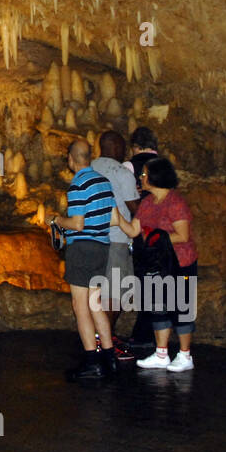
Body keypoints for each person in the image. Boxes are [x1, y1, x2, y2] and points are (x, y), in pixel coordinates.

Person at [49, 139, 134, 381]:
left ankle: (91, 361)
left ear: (71, 159)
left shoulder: (78, 184)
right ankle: (109, 358)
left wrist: (56, 220)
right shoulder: (104, 182)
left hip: (82, 249)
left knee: (80, 305)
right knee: (95, 303)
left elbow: (77, 223)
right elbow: (110, 217)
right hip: (101, 247)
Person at [131, 158, 198, 372]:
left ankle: (185, 355)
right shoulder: (148, 202)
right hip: (157, 263)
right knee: (158, 306)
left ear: (156, 177)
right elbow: (134, 230)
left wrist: (156, 238)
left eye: (144, 174)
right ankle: (161, 353)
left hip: (180, 261)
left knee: (181, 307)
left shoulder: (175, 202)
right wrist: (116, 219)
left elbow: (183, 235)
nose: (141, 177)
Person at [92, 131, 140, 362]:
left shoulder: (88, 168)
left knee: (98, 294)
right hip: (116, 239)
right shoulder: (122, 174)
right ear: (117, 148)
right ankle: (105, 341)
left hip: (91, 240)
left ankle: (100, 339)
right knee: (115, 296)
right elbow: (135, 208)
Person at [125, 126, 161, 347]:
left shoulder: (129, 166)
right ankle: (153, 333)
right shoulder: (165, 166)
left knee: (143, 279)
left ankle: (143, 335)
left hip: (141, 230)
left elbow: (123, 194)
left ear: (135, 147)